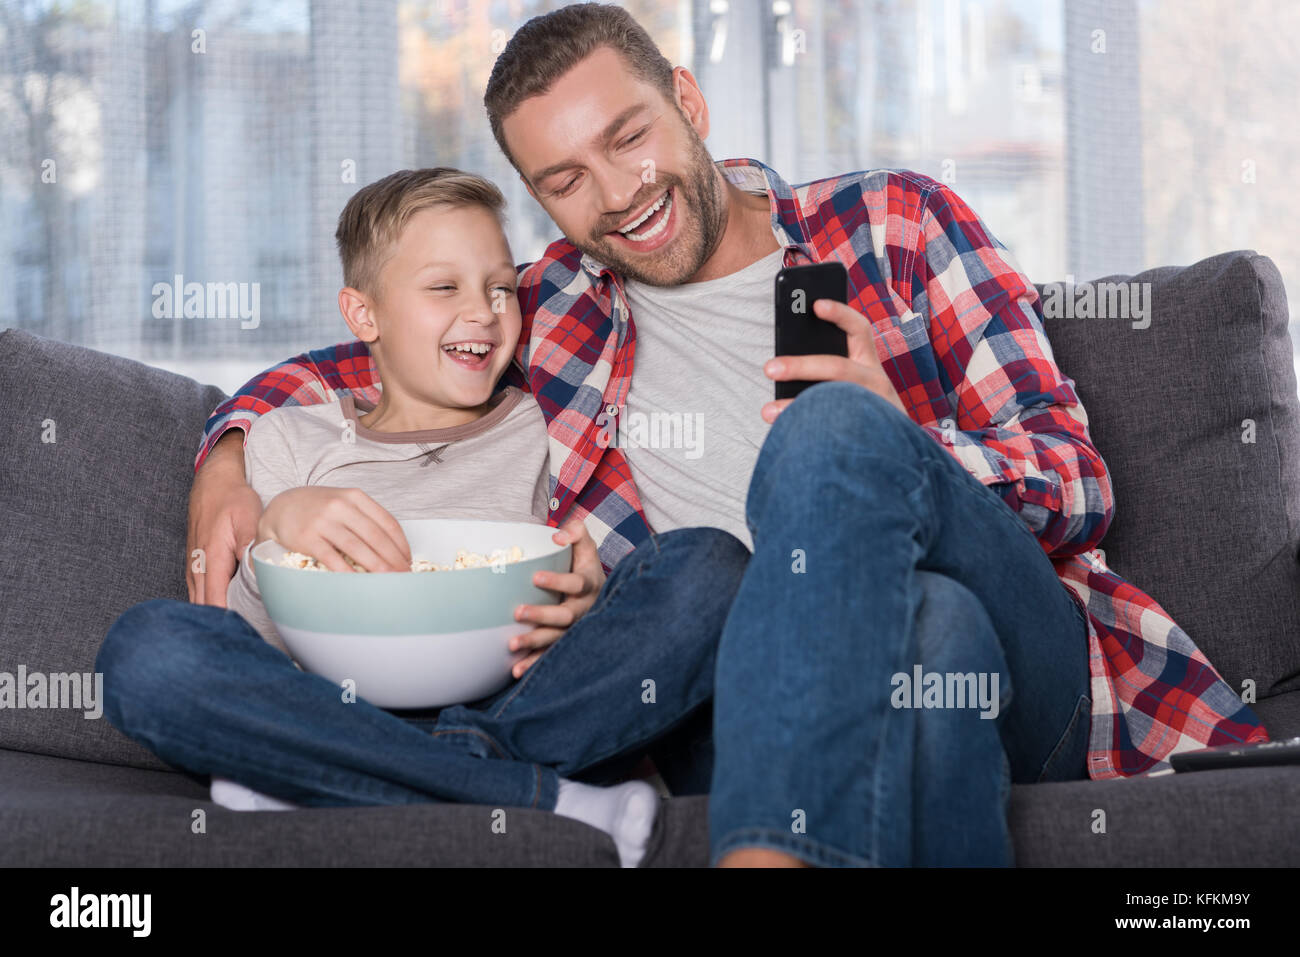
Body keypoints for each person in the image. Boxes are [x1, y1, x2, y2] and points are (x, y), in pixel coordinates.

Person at [182, 4, 1268, 867]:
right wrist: (233, 453)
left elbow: (1076, 480)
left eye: (629, 137)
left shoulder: (893, 223)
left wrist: (903, 442)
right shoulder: (551, 302)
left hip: (1027, 665)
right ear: (540, 202)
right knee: (927, 633)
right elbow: (383, 343)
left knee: (834, 433)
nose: (615, 194)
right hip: (739, 696)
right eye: (564, 180)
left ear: (689, 102)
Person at [96, 166, 750, 869]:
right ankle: (541, 797)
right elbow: (248, 637)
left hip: (519, 706)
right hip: (326, 709)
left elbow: (590, 564)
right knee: (145, 648)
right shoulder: (288, 439)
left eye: (501, 287)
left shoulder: (550, 422)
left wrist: (585, 599)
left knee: (709, 564)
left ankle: (358, 781)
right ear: (363, 315)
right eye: (444, 288)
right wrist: (277, 523)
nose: (483, 310)